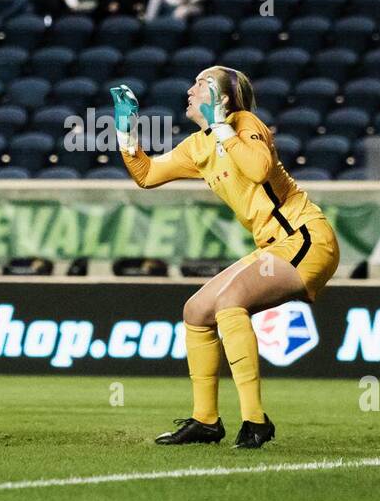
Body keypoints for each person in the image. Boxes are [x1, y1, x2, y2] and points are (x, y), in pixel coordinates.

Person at [112, 68, 340, 448]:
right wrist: (125, 131)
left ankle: (255, 420)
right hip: (273, 245)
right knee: (196, 311)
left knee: (230, 301)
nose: (189, 89)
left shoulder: (244, 122)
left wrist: (224, 128)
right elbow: (147, 175)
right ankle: (206, 420)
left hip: (305, 237)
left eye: (200, 83)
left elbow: (259, 168)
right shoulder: (199, 145)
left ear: (222, 94)